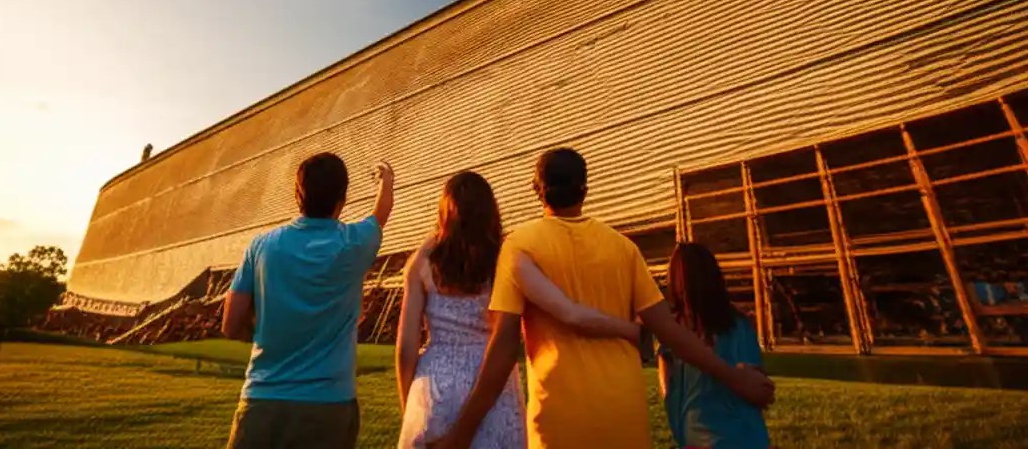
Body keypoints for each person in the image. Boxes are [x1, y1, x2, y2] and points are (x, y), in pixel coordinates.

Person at [427, 148, 774, 449]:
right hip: (624, 416)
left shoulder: (520, 246)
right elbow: (671, 333)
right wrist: (734, 377)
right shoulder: (623, 248)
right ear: (585, 190)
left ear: (537, 191)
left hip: (559, 421)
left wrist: (461, 434)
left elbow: (503, 348)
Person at [396, 171, 638, 448]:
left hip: (434, 385)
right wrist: (629, 329)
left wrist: (412, 406)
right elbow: (569, 312)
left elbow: (406, 349)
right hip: (491, 385)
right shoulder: (507, 258)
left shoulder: (421, 263)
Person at [222, 153, 395, 449]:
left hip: (262, 403)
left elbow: (230, 324)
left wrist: (262, 331)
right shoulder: (354, 243)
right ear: (342, 199)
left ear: (297, 193)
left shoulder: (262, 247)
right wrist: (386, 179)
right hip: (329, 408)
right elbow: (382, 211)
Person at [659, 243, 771, 449]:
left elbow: (667, 390)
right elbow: (760, 388)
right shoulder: (738, 325)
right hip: (739, 437)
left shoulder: (673, 332)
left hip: (712, 439)